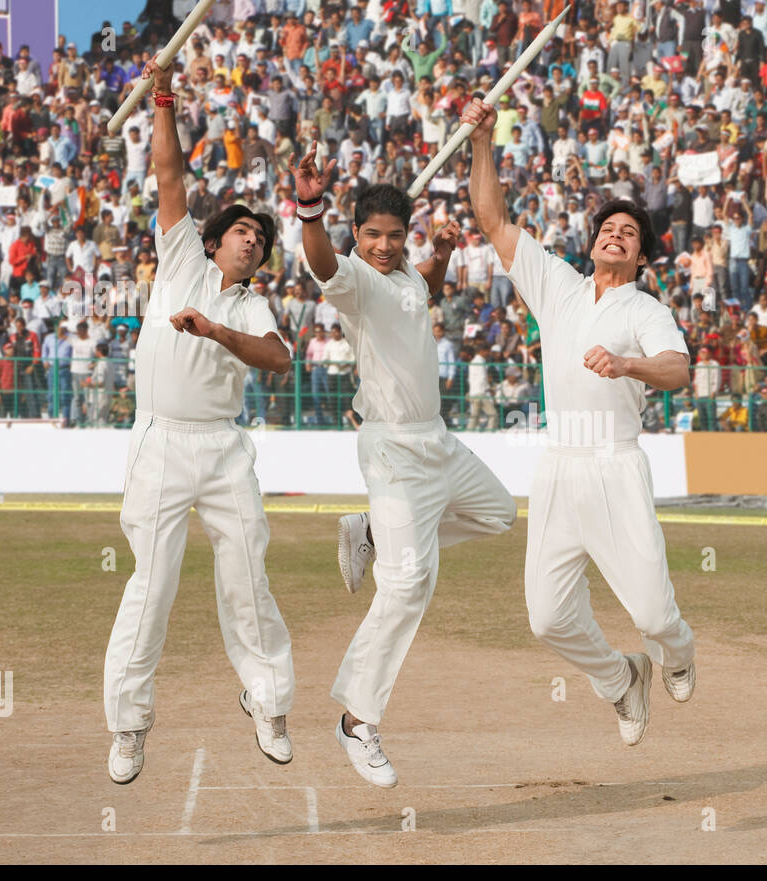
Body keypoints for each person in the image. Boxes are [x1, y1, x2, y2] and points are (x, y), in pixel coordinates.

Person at [464, 98, 697, 748]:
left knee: (652, 610)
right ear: (593, 242)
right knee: (546, 617)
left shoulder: (644, 306)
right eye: (608, 227)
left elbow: (678, 369)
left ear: (641, 254)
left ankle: (676, 650)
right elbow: (492, 217)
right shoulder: (558, 286)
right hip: (560, 466)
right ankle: (621, 678)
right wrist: (483, 139)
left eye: (629, 231)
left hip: (616, 465)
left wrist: (627, 364)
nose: (615, 233)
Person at [295, 146, 516, 789]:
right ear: (355, 235)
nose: (385, 247)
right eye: (372, 236)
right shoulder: (355, 280)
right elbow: (322, 264)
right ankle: (357, 721)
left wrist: (440, 255)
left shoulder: (407, 276)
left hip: (437, 443)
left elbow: (424, 290)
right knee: (407, 584)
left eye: (395, 236)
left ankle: (370, 532)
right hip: (392, 450)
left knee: (498, 513)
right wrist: (311, 210)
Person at [103, 53, 297, 785]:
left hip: (222, 449)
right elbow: (169, 176)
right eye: (242, 230)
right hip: (159, 441)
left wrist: (215, 331)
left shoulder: (250, 307)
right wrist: (161, 100)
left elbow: (278, 359)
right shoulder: (180, 254)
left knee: (247, 570)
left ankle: (270, 700)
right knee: (151, 583)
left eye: (260, 239)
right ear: (215, 238)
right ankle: (128, 725)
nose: (251, 240)